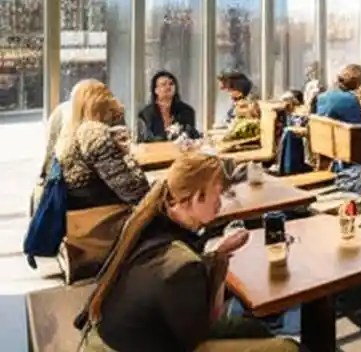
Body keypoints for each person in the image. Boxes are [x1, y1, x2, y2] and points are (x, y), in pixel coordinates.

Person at [77, 152, 298, 351]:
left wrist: (218, 256)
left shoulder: (146, 224)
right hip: (141, 344)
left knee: (249, 327)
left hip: (109, 339)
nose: (220, 203)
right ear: (195, 197)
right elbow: (198, 334)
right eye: (218, 194)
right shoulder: (181, 265)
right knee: (285, 347)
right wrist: (219, 263)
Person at [57, 80, 150, 210]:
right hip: (98, 209)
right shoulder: (95, 133)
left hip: (74, 204)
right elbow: (135, 191)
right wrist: (126, 155)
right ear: (101, 104)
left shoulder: (70, 131)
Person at [136, 71, 201, 143]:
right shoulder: (145, 114)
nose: (168, 87)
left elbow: (191, 135)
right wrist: (167, 136)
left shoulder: (187, 111)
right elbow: (145, 140)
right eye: (163, 84)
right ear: (156, 90)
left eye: (171, 84)